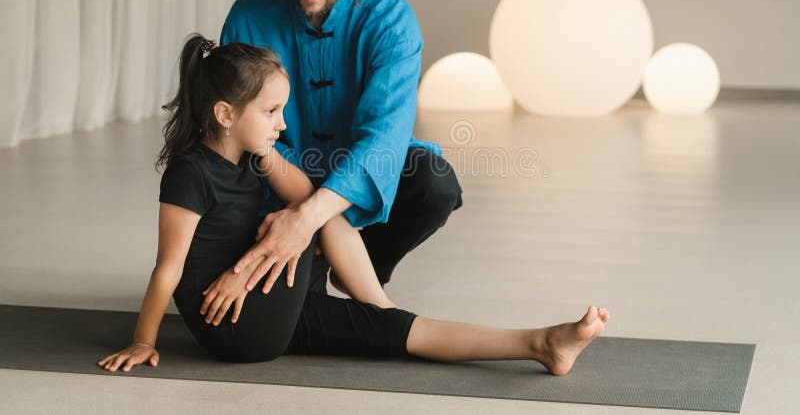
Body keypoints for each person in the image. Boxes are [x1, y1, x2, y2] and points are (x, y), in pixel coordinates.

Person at [97, 35, 609, 373]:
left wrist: (269, 157)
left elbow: (305, 198)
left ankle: (543, 344)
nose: (281, 124)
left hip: (268, 311)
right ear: (226, 114)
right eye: (272, 111)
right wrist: (144, 340)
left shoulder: (253, 158)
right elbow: (168, 269)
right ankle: (378, 305)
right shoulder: (190, 172)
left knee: (378, 305)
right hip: (239, 325)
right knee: (314, 215)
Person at [218, 0, 463, 297]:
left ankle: (363, 269)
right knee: (288, 320)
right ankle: (322, 260)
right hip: (274, 179)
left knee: (433, 183)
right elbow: (237, 130)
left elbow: (384, 136)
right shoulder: (248, 15)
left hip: (356, 172)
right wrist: (294, 206)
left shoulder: (391, 20)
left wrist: (309, 218)